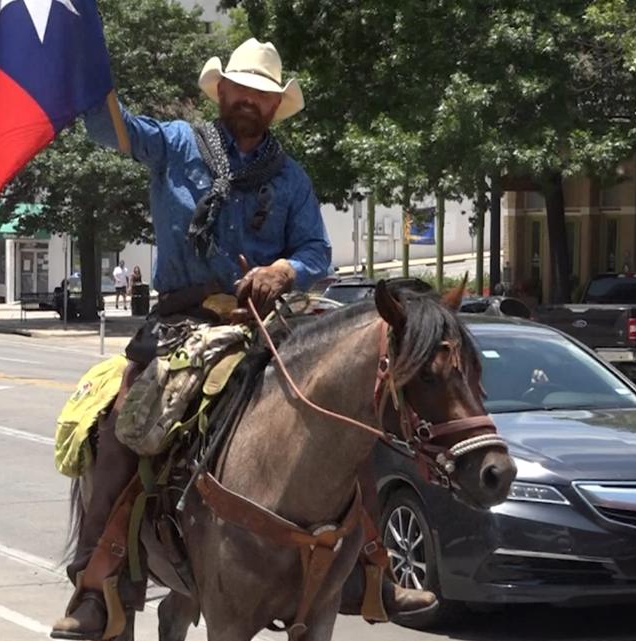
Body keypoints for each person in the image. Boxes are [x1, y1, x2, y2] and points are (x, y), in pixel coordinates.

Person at [50, 38, 433, 640]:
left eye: (263, 94)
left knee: (354, 413)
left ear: (275, 106)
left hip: (268, 326)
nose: (251, 101)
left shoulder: (290, 178)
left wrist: (284, 270)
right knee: (126, 417)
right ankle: (97, 581)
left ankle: (371, 564)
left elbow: (315, 250)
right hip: (185, 321)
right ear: (221, 92)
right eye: (242, 89)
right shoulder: (175, 144)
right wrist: (86, 71)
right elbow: (109, 130)